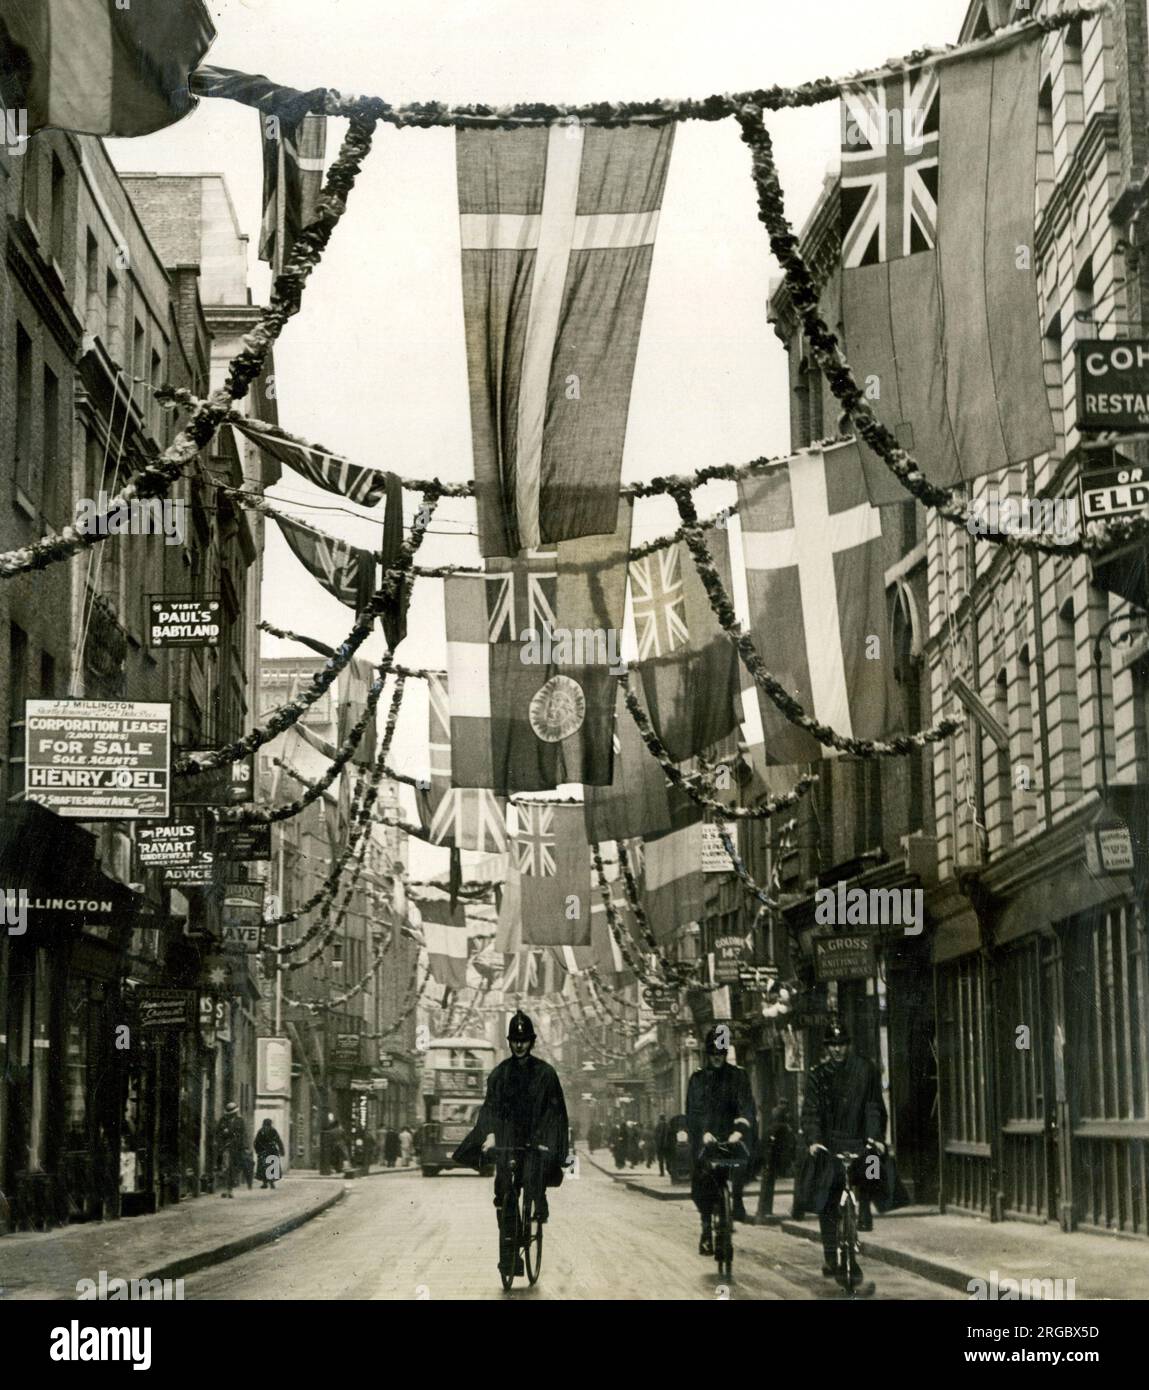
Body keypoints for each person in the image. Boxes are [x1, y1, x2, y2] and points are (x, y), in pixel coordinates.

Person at [452, 1010, 569, 1279]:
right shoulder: (499, 1075)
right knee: (503, 1193)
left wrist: (554, 1148)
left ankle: (538, 1201)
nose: (519, 1045)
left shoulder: (546, 1074)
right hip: (508, 1142)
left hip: (536, 1143)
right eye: (515, 1040)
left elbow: (556, 1113)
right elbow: (488, 1112)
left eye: (524, 1040)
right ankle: (509, 1256)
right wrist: (479, 1142)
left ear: (532, 1041)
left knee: (532, 1176)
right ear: (509, 1042)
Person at [795, 1023, 887, 1294]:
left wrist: (875, 1138)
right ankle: (830, 1253)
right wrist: (814, 1141)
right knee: (828, 1195)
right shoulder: (818, 1076)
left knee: (875, 1170)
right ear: (827, 1048)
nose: (836, 1050)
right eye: (832, 1046)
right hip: (829, 1144)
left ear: (848, 1046)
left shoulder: (865, 1071)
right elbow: (810, 1112)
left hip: (859, 1140)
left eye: (841, 1045)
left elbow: (873, 1107)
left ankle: (866, 1209)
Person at [686, 1025, 757, 1253]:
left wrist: (740, 1129)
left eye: (721, 1053)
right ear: (708, 1054)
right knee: (703, 1181)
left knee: (744, 1165)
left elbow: (746, 1106)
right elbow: (694, 1110)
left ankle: (737, 1202)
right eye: (713, 1054)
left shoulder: (738, 1076)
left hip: (732, 1136)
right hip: (707, 1138)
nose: (717, 1058)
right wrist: (704, 1132)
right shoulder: (698, 1079)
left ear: (726, 1053)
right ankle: (706, 1228)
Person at [214, 1101, 247, 1198]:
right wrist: (222, 1138)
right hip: (226, 1147)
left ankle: (230, 1189)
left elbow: (242, 1134)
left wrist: (244, 1147)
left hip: (236, 1148)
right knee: (226, 1167)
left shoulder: (240, 1121)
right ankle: (227, 1189)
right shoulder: (223, 1120)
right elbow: (218, 1132)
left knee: (233, 1168)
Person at [254, 1118, 286, 1189]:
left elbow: (256, 1142)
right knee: (271, 1167)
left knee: (264, 1167)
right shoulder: (273, 1130)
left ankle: (265, 1183)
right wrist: (282, 1150)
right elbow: (278, 1140)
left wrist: (258, 1150)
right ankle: (271, 1182)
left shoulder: (261, 1131)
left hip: (263, 1151)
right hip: (272, 1151)